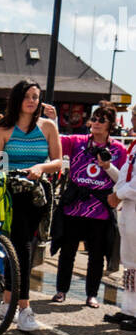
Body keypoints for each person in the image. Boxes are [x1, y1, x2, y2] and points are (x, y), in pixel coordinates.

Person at [0, 81, 62, 331]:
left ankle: (9, 301)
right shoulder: (3, 128)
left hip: (36, 195)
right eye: (27, 96)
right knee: (20, 248)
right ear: (17, 99)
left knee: (22, 248)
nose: (32, 101)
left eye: (36, 97)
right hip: (9, 194)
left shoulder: (48, 127)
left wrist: (40, 167)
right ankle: (24, 308)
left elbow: (58, 162)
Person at [50, 103, 126, 308]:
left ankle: (92, 294)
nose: (96, 123)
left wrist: (107, 166)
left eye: (102, 120)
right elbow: (53, 141)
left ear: (111, 125)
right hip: (74, 205)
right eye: (95, 118)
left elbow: (122, 181)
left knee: (96, 256)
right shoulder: (78, 141)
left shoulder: (118, 149)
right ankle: (61, 290)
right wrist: (54, 120)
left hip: (99, 209)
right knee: (67, 251)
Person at [107, 139, 136, 329]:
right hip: (129, 206)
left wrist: (119, 194)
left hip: (131, 200)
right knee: (130, 262)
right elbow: (126, 172)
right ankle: (129, 309)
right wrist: (116, 192)